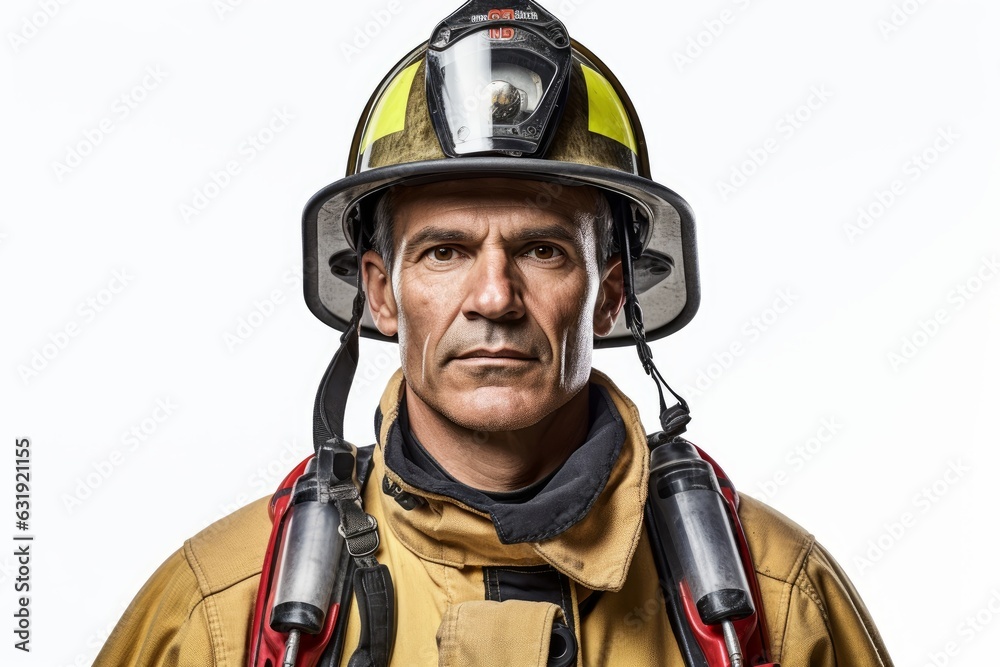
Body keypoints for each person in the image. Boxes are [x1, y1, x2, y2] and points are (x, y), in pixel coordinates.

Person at [95, 2, 893, 666]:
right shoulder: (218, 617)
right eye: (445, 251)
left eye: (542, 250)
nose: (494, 296)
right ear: (380, 292)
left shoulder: (776, 606)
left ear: (611, 294)